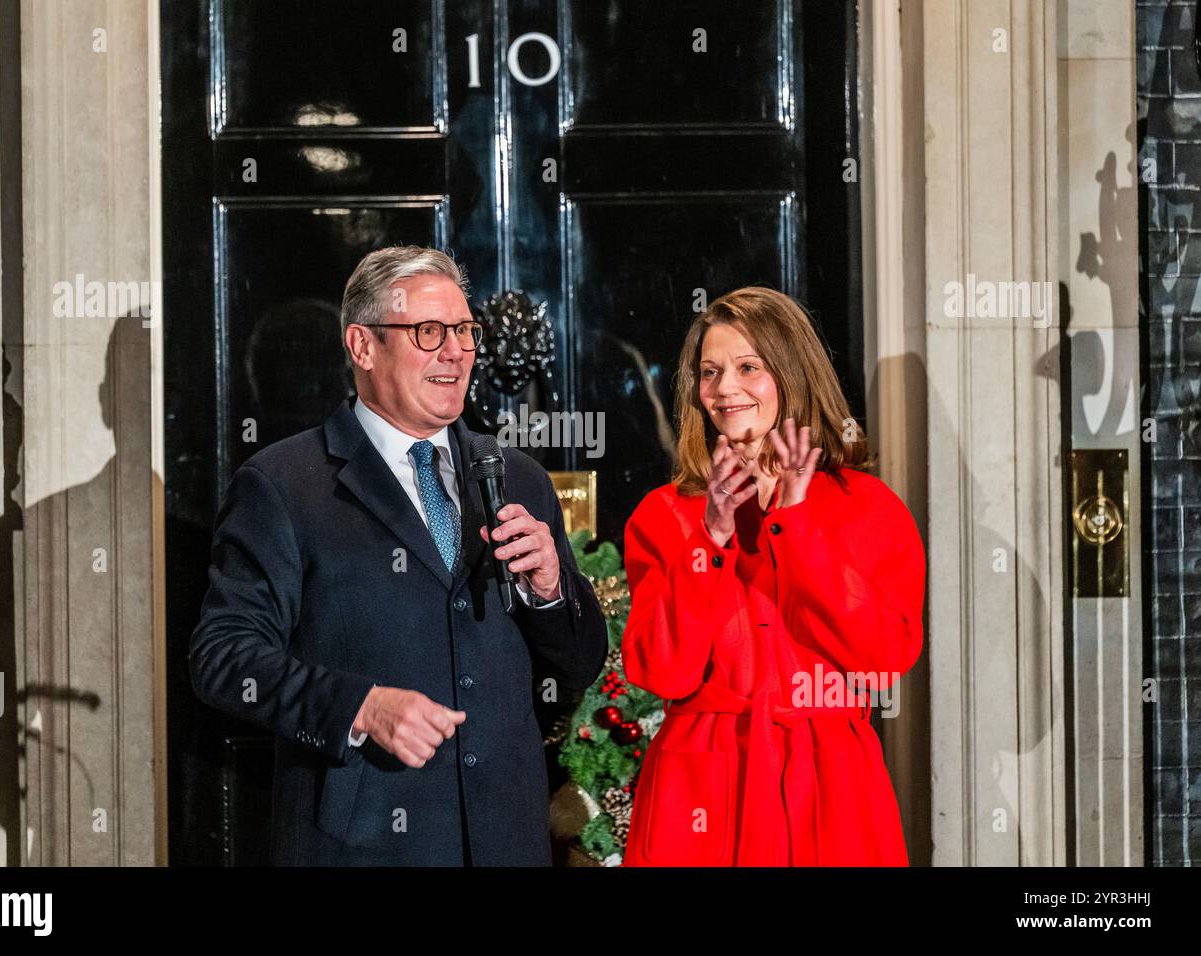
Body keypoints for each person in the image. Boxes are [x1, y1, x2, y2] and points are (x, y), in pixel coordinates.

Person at [190, 246, 608, 865]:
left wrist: (550, 587)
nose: (457, 351)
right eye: (430, 331)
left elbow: (578, 665)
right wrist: (359, 707)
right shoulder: (283, 484)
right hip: (365, 845)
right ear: (363, 346)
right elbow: (223, 658)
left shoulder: (517, 478)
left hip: (505, 842)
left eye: (464, 331)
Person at [620, 286, 925, 866]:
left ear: (791, 374)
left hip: (830, 787)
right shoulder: (664, 515)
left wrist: (795, 522)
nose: (726, 389)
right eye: (710, 372)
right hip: (701, 789)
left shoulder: (868, 506)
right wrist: (709, 537)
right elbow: (663, 669)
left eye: (748, 367)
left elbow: (885, 656)